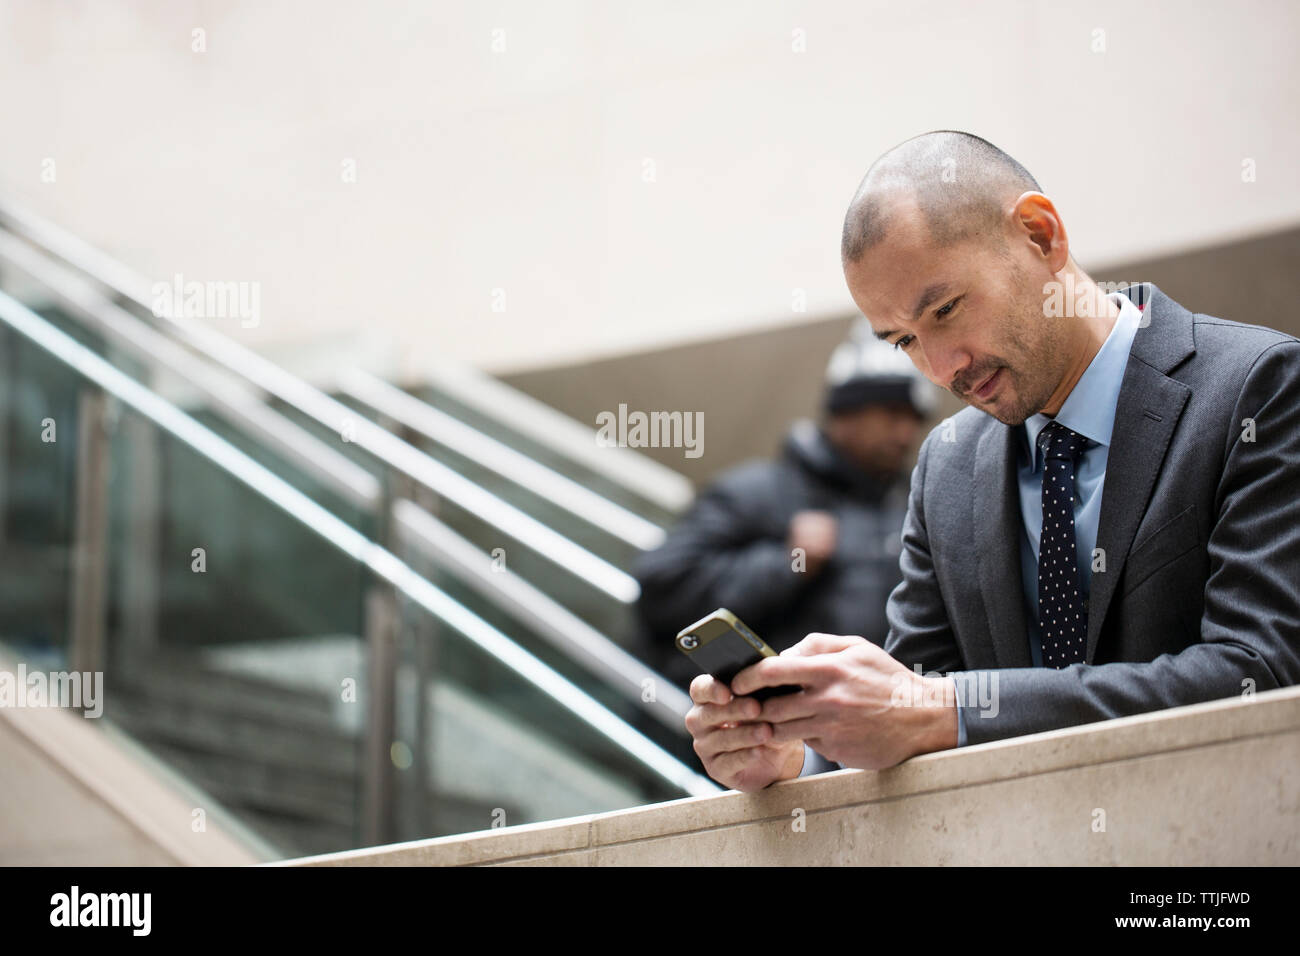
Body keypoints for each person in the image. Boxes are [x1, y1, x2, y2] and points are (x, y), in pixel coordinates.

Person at [685, 129, 1300, 792]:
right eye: (904, 343)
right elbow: (912, 721)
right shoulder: (944, 468)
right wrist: (801, 757)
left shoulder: (1258, 388)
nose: (939, 367)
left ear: (1040, 235)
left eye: (946, 309)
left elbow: (1261, 673)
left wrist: (949, 709)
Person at [633, 332, 937, 699]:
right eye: (892, 414)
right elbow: (661, 590)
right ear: (845, 412)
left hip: (885, 733)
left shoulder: (913, 504)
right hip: (777, 737)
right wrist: (786, 563)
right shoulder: (756, 491)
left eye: (914, 418)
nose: (906, 432)